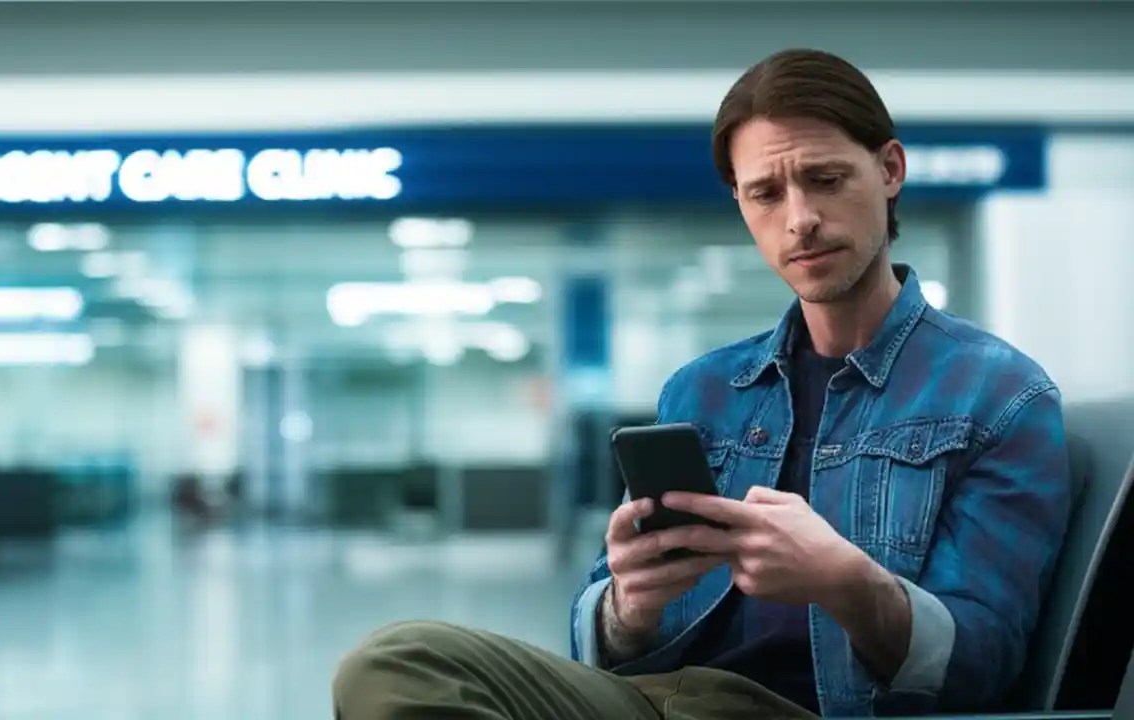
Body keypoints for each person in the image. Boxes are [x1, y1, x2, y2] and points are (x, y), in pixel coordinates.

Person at [332, 48, 1075, 719]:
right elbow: (603, 630)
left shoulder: (1000, 396)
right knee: (396, 666)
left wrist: (845, 582)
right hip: (659, 699)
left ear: (889, 171)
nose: (801, 219)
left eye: (825, 179)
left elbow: (983, 662)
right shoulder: (704, 390)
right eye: (766, 194)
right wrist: (628, 607)